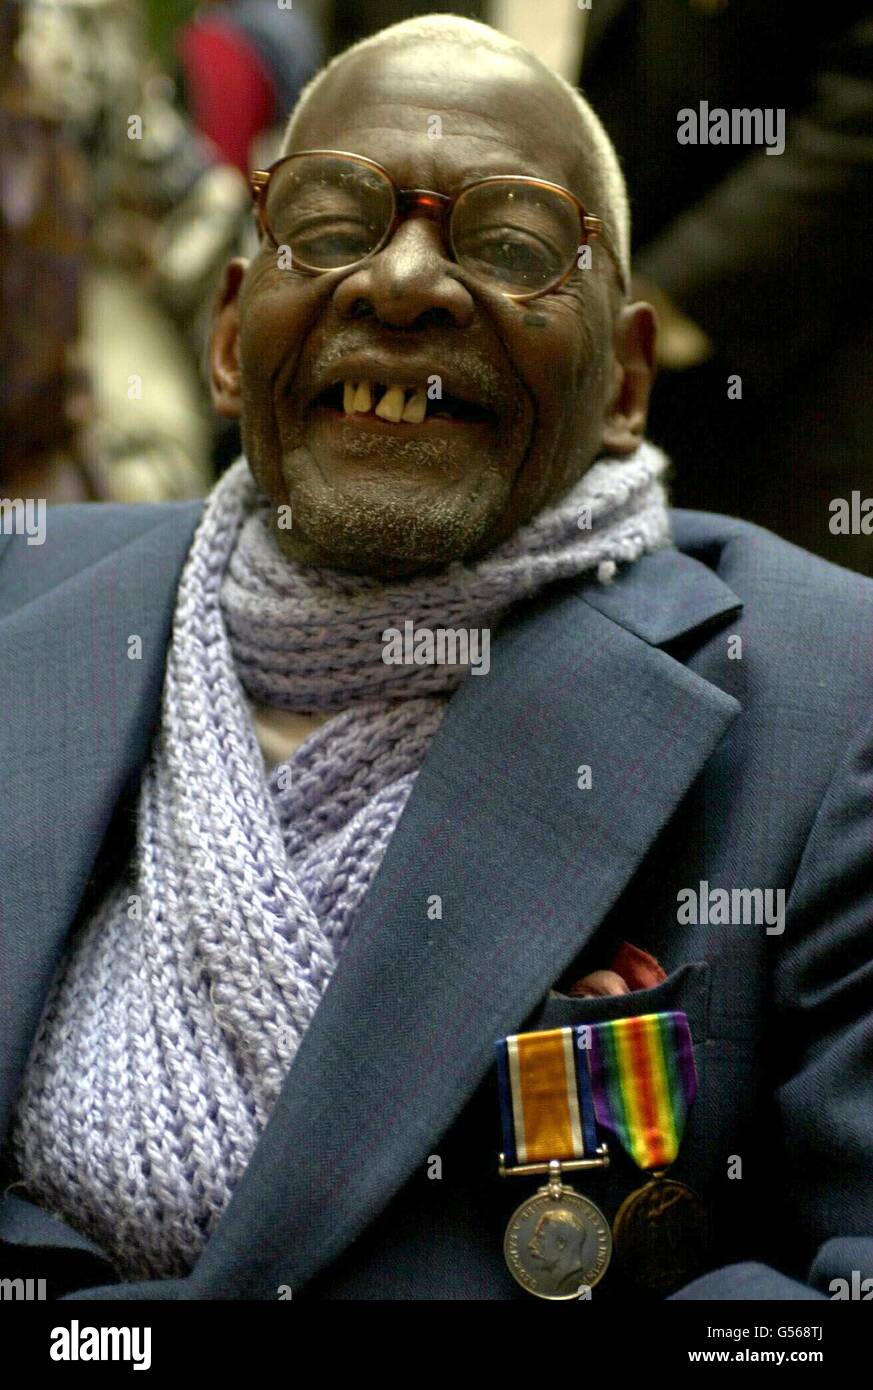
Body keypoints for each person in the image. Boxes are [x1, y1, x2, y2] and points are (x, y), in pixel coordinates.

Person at [0, 14, 871, 1302]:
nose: (401, 283)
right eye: (330, 229)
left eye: (511, 247)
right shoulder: (21, 600)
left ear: (626, 382)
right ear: (231, 335)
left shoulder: (831, 700)